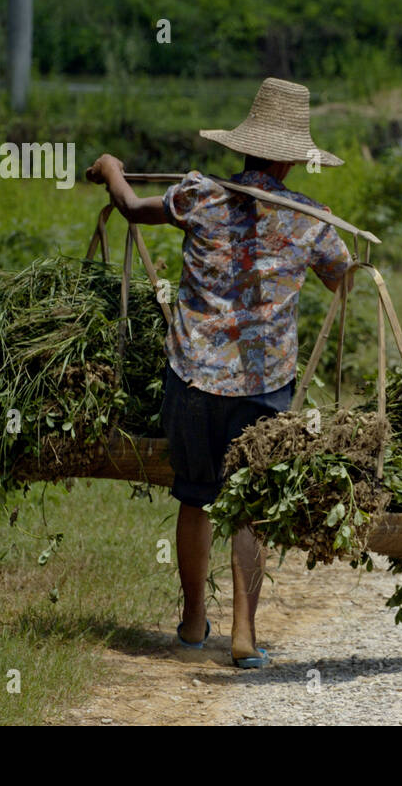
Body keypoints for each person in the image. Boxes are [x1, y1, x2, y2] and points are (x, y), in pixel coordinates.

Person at [87, 77, 351, 669]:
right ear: (290, 157)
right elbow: (342, 280)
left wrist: (110, 169)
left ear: (244, 147)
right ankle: (244, 635)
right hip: (265, 387)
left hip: (193, 379)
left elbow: (132, 207)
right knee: (250, 506)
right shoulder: (308, 217)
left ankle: (189, 620)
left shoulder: (199, 196)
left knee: (195, 498)